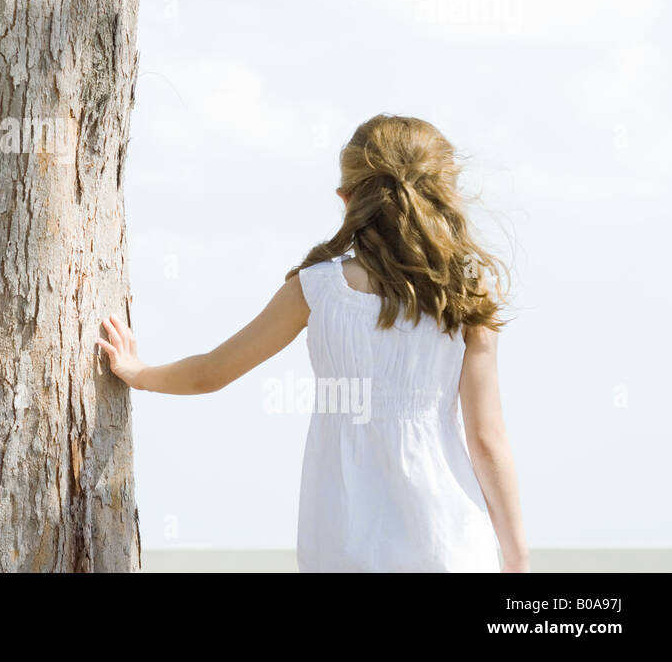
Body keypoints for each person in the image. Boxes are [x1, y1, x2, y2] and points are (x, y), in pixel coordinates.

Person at [97, 113, 529, 572]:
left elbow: (212, 372)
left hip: (342, 541)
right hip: (448, 539)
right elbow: (487, 440)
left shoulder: (319, 289)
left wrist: (139, 373)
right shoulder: (465, 293)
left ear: (347, 200)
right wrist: (518, 559)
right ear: (444, 196)